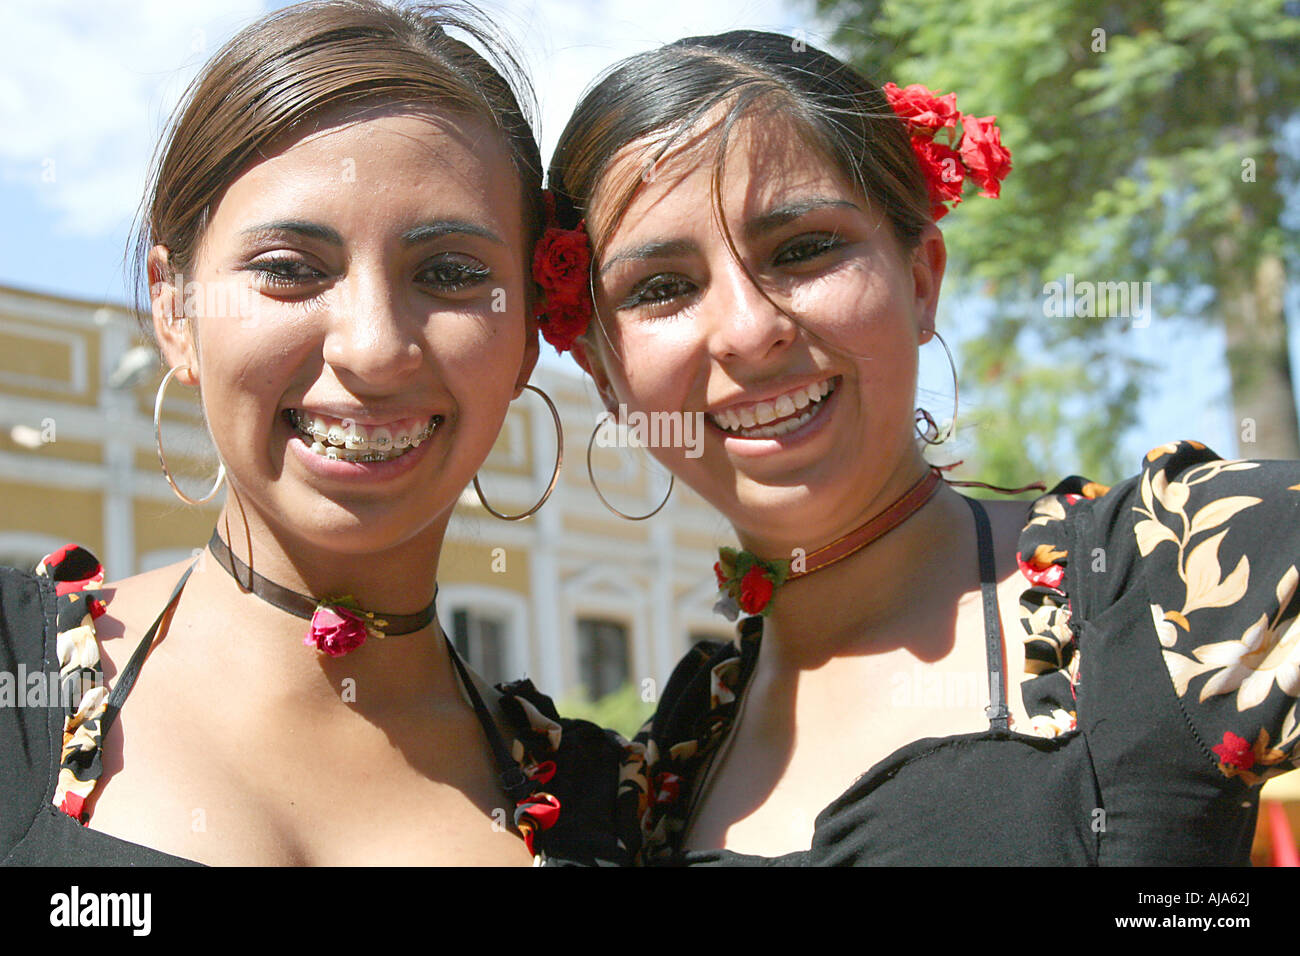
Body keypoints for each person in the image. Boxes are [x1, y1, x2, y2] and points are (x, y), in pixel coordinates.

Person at [537, 29, 1300, 864]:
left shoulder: (1178, 568)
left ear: (921, 279)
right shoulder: (659, 772)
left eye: (802, 250)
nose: (751, 332)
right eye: (663, 288)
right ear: (604, 375)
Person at [0, 0, 625, 866]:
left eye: (449, 274)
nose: (372, 348)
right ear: (175, 309)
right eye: (290, 270)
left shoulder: (612, 809)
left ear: (526, 333)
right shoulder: (13, 683)